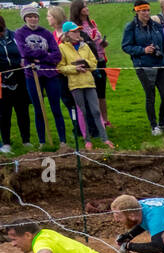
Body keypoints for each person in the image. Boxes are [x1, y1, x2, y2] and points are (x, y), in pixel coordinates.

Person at [16, 4, 68, 147]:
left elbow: (57, 55)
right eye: (29, 16)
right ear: (25, 18)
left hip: (51, 75)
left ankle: (63, 141)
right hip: (32, 75)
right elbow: (24, 53)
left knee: (56, 108)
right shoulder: (20, 33)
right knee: (38, 109)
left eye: (35, 16)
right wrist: (46, 55)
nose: (33, 19)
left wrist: (40, 57)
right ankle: (42, 142)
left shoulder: (46, 33)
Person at [121, 1, 164, 137]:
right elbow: (126, 46)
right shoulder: (131, 27)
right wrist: (143, 50)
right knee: (151, 96)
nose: (146, 13)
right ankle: (154, 125)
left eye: (148, 10)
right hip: (143, 66)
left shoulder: (156, 25)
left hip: (160, 64)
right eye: (143, 10)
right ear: (137, 11)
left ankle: (162, 123)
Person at [56, 20, 111, 148]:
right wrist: (75, 68)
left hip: (89, 82)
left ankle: (105, 139)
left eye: (78, 31)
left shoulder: (85, 45)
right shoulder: (62, 48)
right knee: (82, 112)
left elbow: (94, 62)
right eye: (74, 31)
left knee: (96, 111)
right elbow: (60, 67)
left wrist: (86, 64)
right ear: (67, 34)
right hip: (75, 84)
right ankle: (87, 140)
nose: (77, 33)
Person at [67, 0, 108, 131]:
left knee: (101, 92)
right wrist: (90, 42)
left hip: (100, 59)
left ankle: (105, 120)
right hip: (86, 62)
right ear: (78, 9)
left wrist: (103, 43)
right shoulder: (75, 27)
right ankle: (94, 123)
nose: (87, 8)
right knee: (92, 94)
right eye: (84, 6)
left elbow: (97, 39)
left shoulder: (92, 23)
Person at [0, 15, 33, 153]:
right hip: (2, 81)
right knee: (4, 113)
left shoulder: (15, 36)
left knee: (22, 111)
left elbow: (25, 53)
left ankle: (26, 141)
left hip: (20, 78)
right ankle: (6, 143)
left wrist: (24, 60)